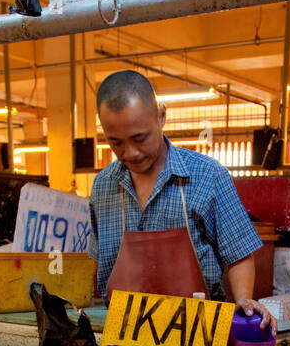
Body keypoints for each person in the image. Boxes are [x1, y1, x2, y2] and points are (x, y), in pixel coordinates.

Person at [87, 70, 274, 331]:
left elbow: (239, 253)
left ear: (161, 116)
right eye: (115, 142)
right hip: (124, 338)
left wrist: (245, 299)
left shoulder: (207, 175)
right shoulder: (102, 187)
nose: (130, 153)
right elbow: (96, 263)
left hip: (196, 334)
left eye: (140, 138)